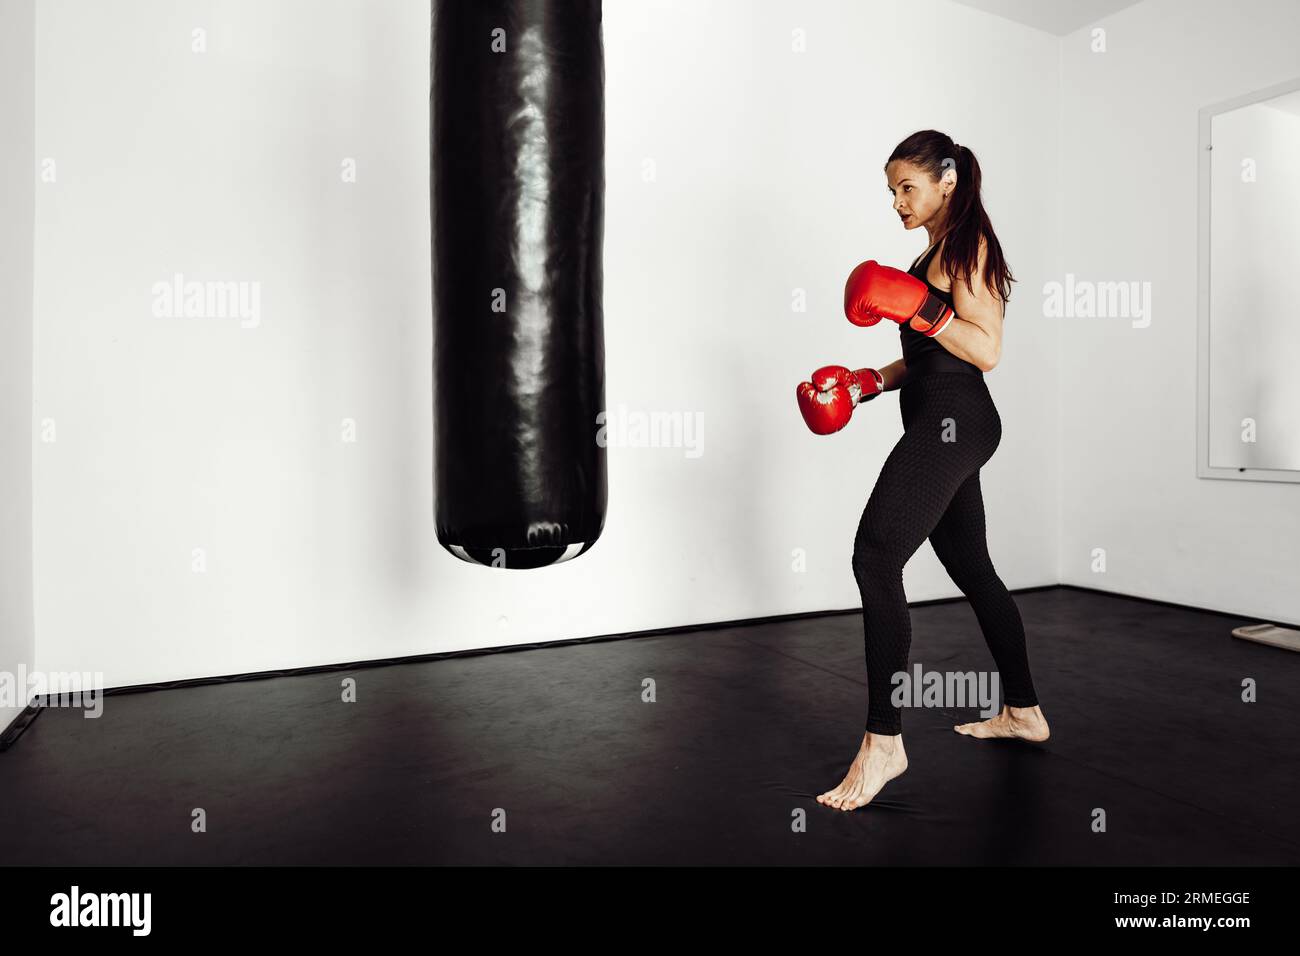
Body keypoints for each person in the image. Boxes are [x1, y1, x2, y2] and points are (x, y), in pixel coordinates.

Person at [815, 131, 1050, 812]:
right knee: (973, 569)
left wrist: (920, 307)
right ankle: (1024, 710)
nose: (896, 201)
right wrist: (864, 382)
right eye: (890, 190)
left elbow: (985, 348)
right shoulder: (927, 257)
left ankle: (884, 742)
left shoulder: (968, 246)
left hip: (959, 419)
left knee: (876, 554)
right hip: (933, 413)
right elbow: (925, 355)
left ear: (947, 180)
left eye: (906, 187)